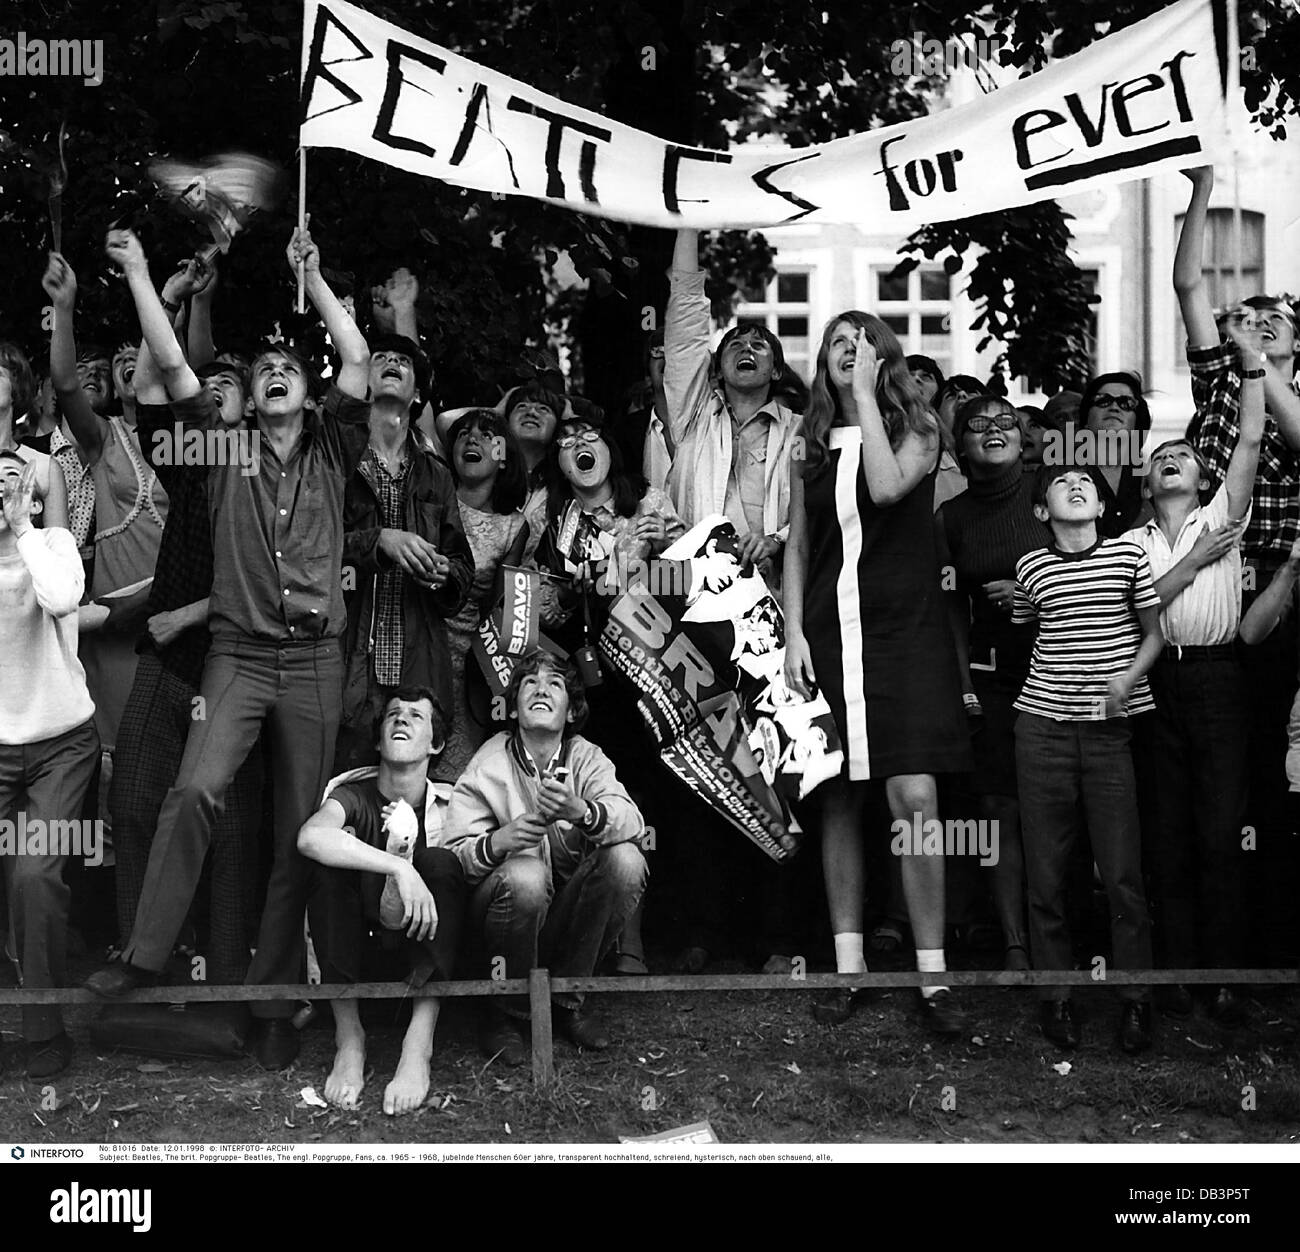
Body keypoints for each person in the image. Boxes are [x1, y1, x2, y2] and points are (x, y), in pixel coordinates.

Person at [84, 224, 371, 1071]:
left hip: (316, 661)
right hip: (237, 659)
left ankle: (276, 1005)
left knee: (295, 834)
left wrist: (313, 282)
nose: (275, 374)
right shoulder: (218, 450)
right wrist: (140, 273)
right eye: (262, 371)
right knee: (195, 791)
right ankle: (142, 955)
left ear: (306, 392)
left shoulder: (331, 445)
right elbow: (171, 369)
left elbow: (354, 360)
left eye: (289, 368)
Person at [784, 313, 971, 1034]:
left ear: (882, 357)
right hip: (832, 633)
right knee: (837, 799)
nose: (845, 355)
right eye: (836, 344)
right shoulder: (809, 446)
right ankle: (848, 967)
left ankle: (933, 975)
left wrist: (866, 397)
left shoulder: (918, 428)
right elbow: (799, 545)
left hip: (906, 634)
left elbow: (889, 489)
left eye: (859, 346)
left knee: (914, 796)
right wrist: (795, 630)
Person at [111, 286, 264, 986]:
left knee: (231, 836)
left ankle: (231, 986)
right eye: (212, 383)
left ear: (254, 404)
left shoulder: (276, 469)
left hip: (239, 667)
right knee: (137, 804)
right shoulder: (191, 453)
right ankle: (143, 968)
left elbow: (283, 579)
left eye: (233, 384)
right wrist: (168, 304)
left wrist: (196, 610)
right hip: (167, 661)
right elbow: (148, 382)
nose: (218, 390)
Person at [1178, 164, 1300, 968]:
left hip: (1288, 576)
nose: (1257, 320)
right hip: (1221, 574)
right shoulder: (1221, 379)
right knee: (1231, 759)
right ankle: (1230, 942)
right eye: (1248, 315)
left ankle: (1277, 930)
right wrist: (1201, 188)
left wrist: (1264, 366)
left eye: (1277, 317)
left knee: (1283, 757)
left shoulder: (1275, 379)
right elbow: (1189, 279)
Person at [1124, 331, 1262, 1023]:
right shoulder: (1128, 546)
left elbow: (1248, 444)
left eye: (1183, 455)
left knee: (1219, 830)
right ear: (1147, 484)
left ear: (1202, 478)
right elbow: (1133, 609)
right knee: (1167, 832)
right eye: (1160, 459)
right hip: (1157, 686)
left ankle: (1226, 975)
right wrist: (1191, 561)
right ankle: (1178, 974)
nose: (1172, 460)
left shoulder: (1222, 518)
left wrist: (1255, 369)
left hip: (1215, 679)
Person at [1012, 465, 1162, 1053]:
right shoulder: (1031, 567)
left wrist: (1125, 680)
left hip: (1108, 734)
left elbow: (1154, 633)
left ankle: (1135, 1001)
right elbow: (1030, 630)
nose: (1076, 486)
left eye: (1087, 483)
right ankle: (1056, 999)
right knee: (1046, 874)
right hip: (1042, 730)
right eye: (1061, 483)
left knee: (1122, 872)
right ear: (1042, 511)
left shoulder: (1129, 558)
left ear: (1102, 504)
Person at [444, 650, 648, 1065]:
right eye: (529, 683)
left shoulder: (587, 756)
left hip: (561, 924)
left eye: (554, 683)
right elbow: (452, 861)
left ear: (572, 712)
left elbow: (632, 821)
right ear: (514, 708)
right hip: (501, 927)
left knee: (626, 859)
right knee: (526, 876)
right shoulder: (491, 759)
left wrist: (583, 812)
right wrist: (497, 842)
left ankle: (566, 1003)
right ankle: (505, 1010)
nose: (540, 689)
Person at [299, 687, 467, 1115]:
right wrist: (397, 868)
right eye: (393, 714)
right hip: (357, 961)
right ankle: (349, 1039)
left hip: (421, 963)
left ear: (436, 743)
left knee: (443, 863)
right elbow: (311, 837)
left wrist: (417, 865)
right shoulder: (353, 795)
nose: (401, 720)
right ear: (377, 741)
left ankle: (418, 1044)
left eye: (415, 716)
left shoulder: (451, 807)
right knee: (325, 867)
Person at [42, 254, 169, 772]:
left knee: (177, 774)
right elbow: (67, 385)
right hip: (116, 635)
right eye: (119, 362)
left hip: (183, 628)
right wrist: (64, 308)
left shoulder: (195, 443)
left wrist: (181, 299)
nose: (129, 363)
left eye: (138, 353)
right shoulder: (104, 437)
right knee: (119, 772)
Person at [937, 397, 1047, 970]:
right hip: (992, 676)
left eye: (1005, 421)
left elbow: (1093, 567)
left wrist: (1037, 595)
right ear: (961, 448)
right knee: (998, 806)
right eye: (977, 425)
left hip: (1065, 667)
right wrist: (962, 685)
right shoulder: (951, 517)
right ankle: (1014, 945)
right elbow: (951, 610)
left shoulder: (1048, 491)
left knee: (1056, 806)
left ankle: (1062, 940)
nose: (993, 430)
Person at [0, 453, 99, 1079]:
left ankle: (43, 1025)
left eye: (13, 479)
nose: (0, 486)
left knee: (34, 877)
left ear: (36, 500)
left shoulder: (56, 545)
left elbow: (62, 598)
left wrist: (23, 532)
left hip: (61, 740)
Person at [335, 331, 474, 772]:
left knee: (408, 797)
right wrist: (378, 541)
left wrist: (444, 574)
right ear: (364, 380)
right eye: (381, 357)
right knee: (337, 783)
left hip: (419, 659)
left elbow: (462, 567)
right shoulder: (336, 459)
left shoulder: (437, 474)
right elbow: (306, 546)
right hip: (344, 653)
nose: (392, 361)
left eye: (404, 360)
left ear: (417, 395)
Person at [663, 228, 799, 589]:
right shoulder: (693, 414)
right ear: (717, 368)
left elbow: (821, 510)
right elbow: (685, 319)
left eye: (759, 345)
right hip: (693, 594)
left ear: (777, 370)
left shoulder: (802, 432)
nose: (746, 350)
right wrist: (688, 218)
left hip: (774, 594)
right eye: (735, 345)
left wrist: (776, 541)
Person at [438, 408, 530, 780]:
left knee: (455, 774)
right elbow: (443, 419)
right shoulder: (431, 496)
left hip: (471, 662)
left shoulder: (514, 526)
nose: (472, 438)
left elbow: (501, 613)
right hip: (415, 640)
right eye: (464, 435)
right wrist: (497, 409)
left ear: (505, 456)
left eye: (487, 434)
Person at [1074, 372, 1153, 538]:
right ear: (1086, 419)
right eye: (1103, 400)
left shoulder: (1151, 477)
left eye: (1126, 403)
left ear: (1137, 423)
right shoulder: (1061, 472)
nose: (1114, 407)